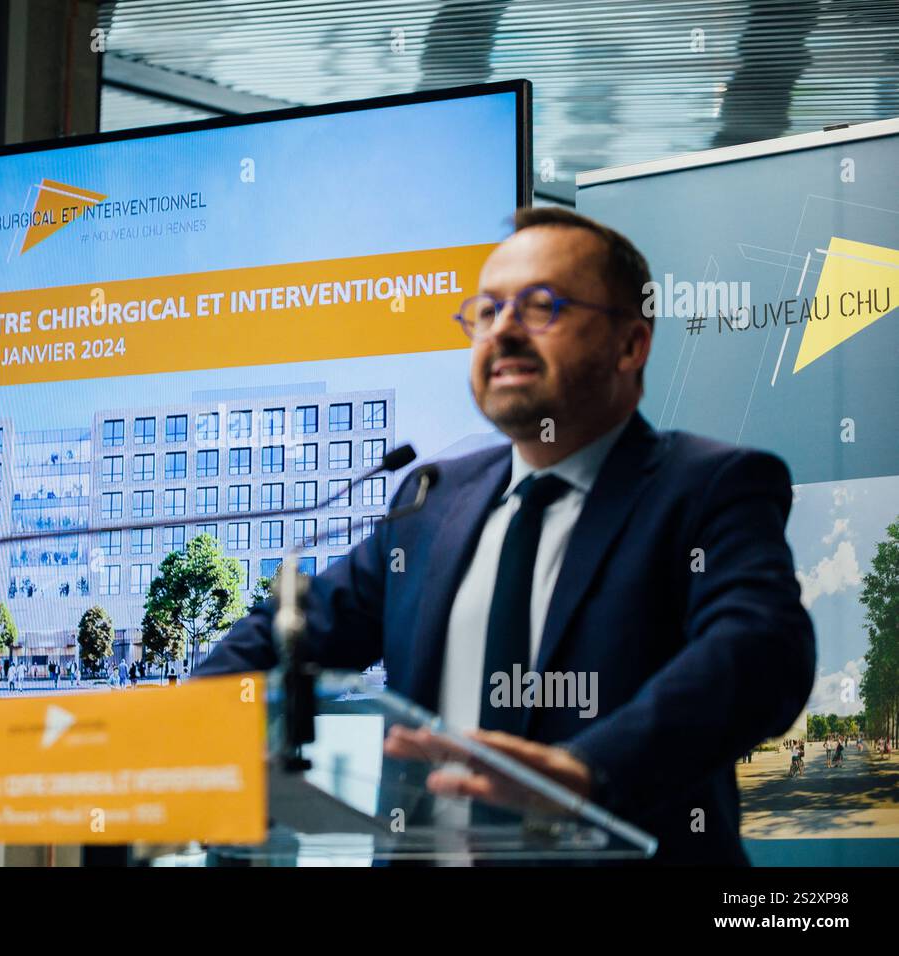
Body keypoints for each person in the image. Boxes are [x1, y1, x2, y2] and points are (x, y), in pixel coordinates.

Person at [198, 208, 816, 866]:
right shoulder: (430, 500)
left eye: (541, 306)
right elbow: (288, 631)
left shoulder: (708, 486)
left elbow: (761, 649)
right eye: (487, 310)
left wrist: (586, 774)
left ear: (631, 344)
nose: (504, 331)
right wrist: (167, 732)